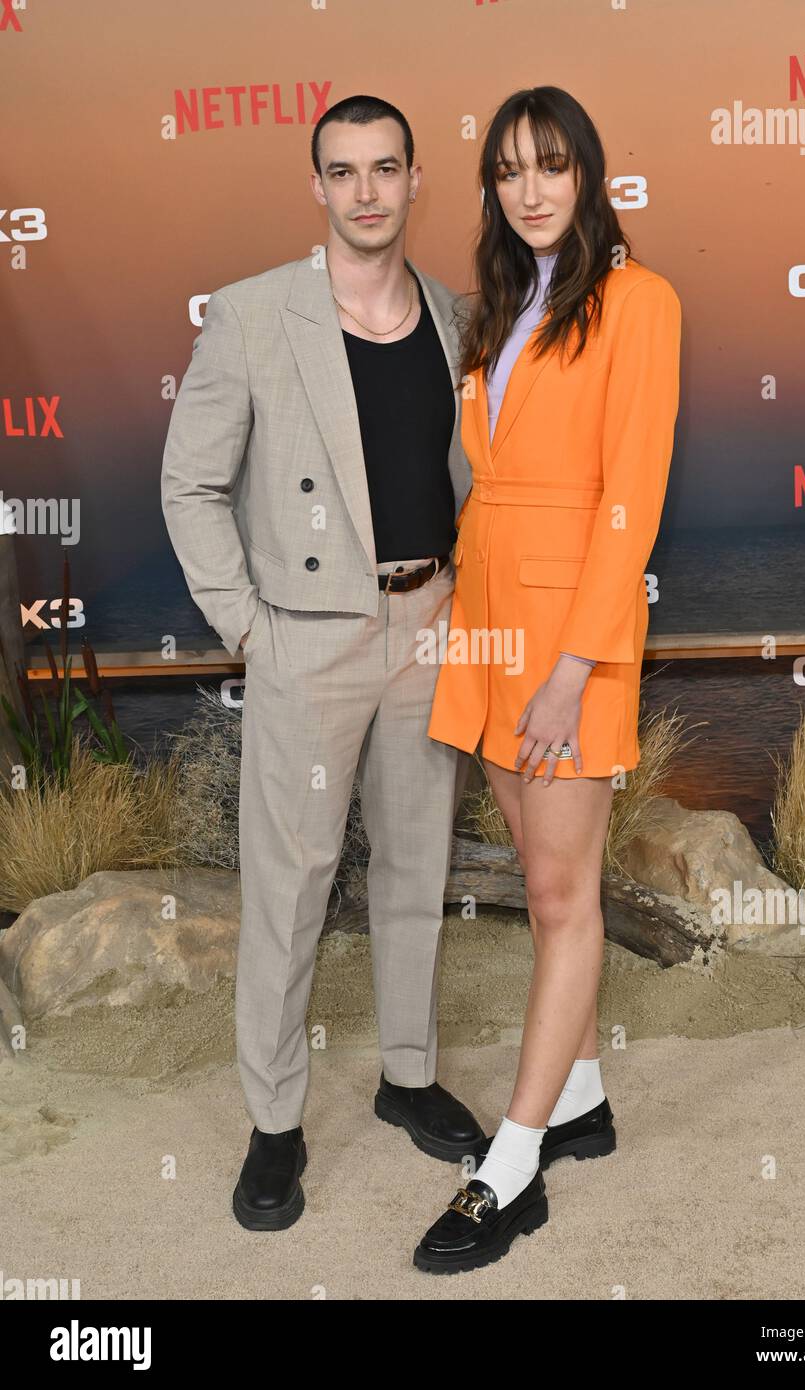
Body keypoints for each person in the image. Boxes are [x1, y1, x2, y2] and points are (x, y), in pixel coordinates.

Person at [161, 95, 484, 1234]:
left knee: (411, 865)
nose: (364, 191)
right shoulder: (253, 315)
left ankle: (406, 1075)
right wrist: (249, 627)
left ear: (411, 181)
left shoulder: (453, 315)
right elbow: (189, 483)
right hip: (307, 634)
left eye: (384, 169)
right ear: (317, 187)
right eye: (341, 171)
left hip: (427, 621)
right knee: (291, 888)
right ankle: (274, 1121)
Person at [414, 86, 682, 1273]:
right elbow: (486, 482)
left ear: (588, 175)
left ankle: (512, 1166)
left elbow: (630, 502)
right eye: (510, 169)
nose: (530, 188)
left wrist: (575, 667)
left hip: (569, 632)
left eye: (552, 165)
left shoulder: (638, 300)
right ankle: (578, 1094)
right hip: (483, 620)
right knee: (537, 874)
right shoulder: (496, 311)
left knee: (565, 897)